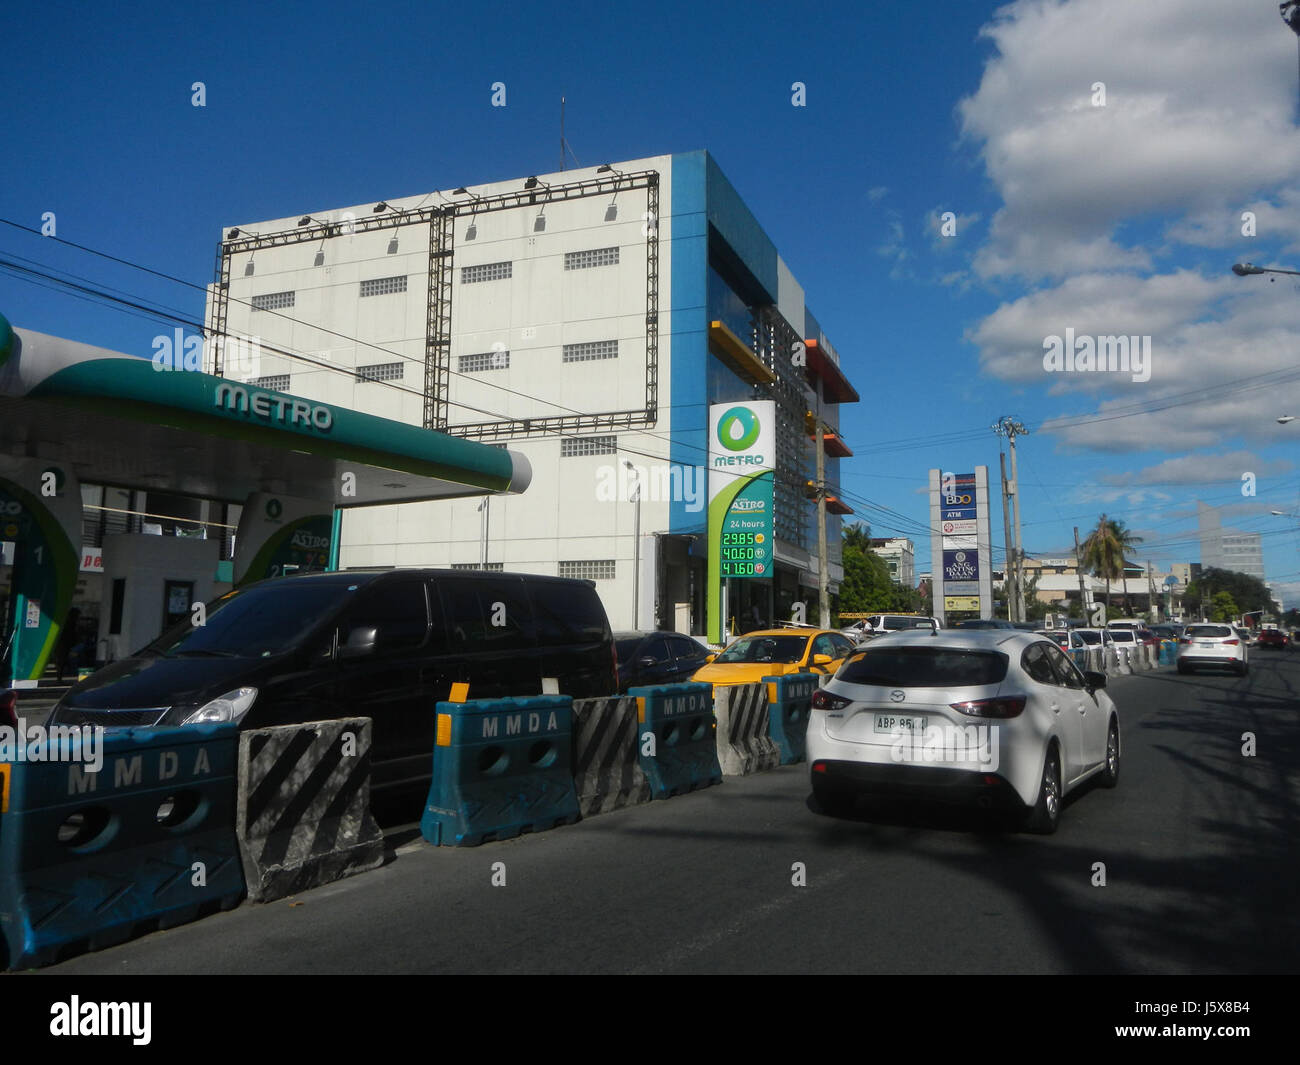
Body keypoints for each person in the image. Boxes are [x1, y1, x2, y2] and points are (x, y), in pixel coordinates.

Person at [54, 607, 81, 684]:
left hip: (64, 644)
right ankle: (59, 678)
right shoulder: (70, 622)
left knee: (61, 661)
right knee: (61, 661)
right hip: (64, 644)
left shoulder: (68, 621)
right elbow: (71, 634)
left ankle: (60, 677)